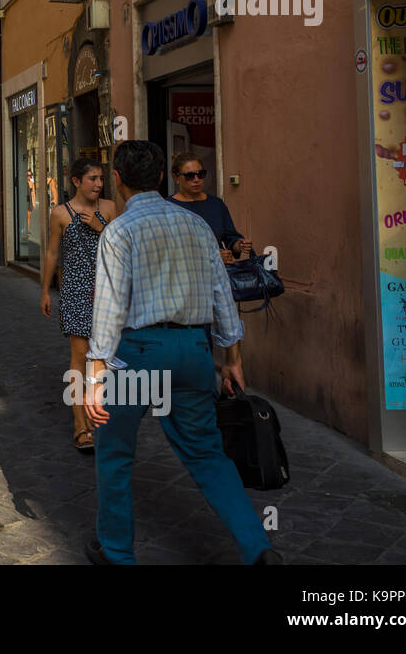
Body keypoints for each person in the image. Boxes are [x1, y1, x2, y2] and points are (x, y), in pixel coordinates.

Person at [83, 140, 278, 566]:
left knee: (115, 453)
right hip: (192, 349)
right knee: (208, 454)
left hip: (137, 353)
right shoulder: (196, 226)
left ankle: (117, 553)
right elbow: (221, 294)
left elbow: (109, 306)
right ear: (160, 179)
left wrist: (94, 375)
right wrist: (233, 358)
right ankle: (258, 548)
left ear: (117, 180)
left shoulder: (119, 231)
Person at [40, 158, 118, 452]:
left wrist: (102, 227)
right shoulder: (60, 213)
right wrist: (45, 290)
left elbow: (123, 245)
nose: (98, 184)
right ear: (76, 181)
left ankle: (95, 413)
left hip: (107, 291)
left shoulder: (109, 209)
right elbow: (52, 253)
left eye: (101, 179)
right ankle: (80, 424)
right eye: (93, 179)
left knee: (102, 359)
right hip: (75, 290)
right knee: (80, 355)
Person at [166, 152, 252, 265]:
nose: (196, 179)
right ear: (176, 177)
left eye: (200, 174)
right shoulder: (168, 207)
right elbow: (171, 249)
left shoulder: (216, 204)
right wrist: (213, 255)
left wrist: (240, 245)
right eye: (189, 176)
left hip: (218, 275)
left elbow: (230, 237)